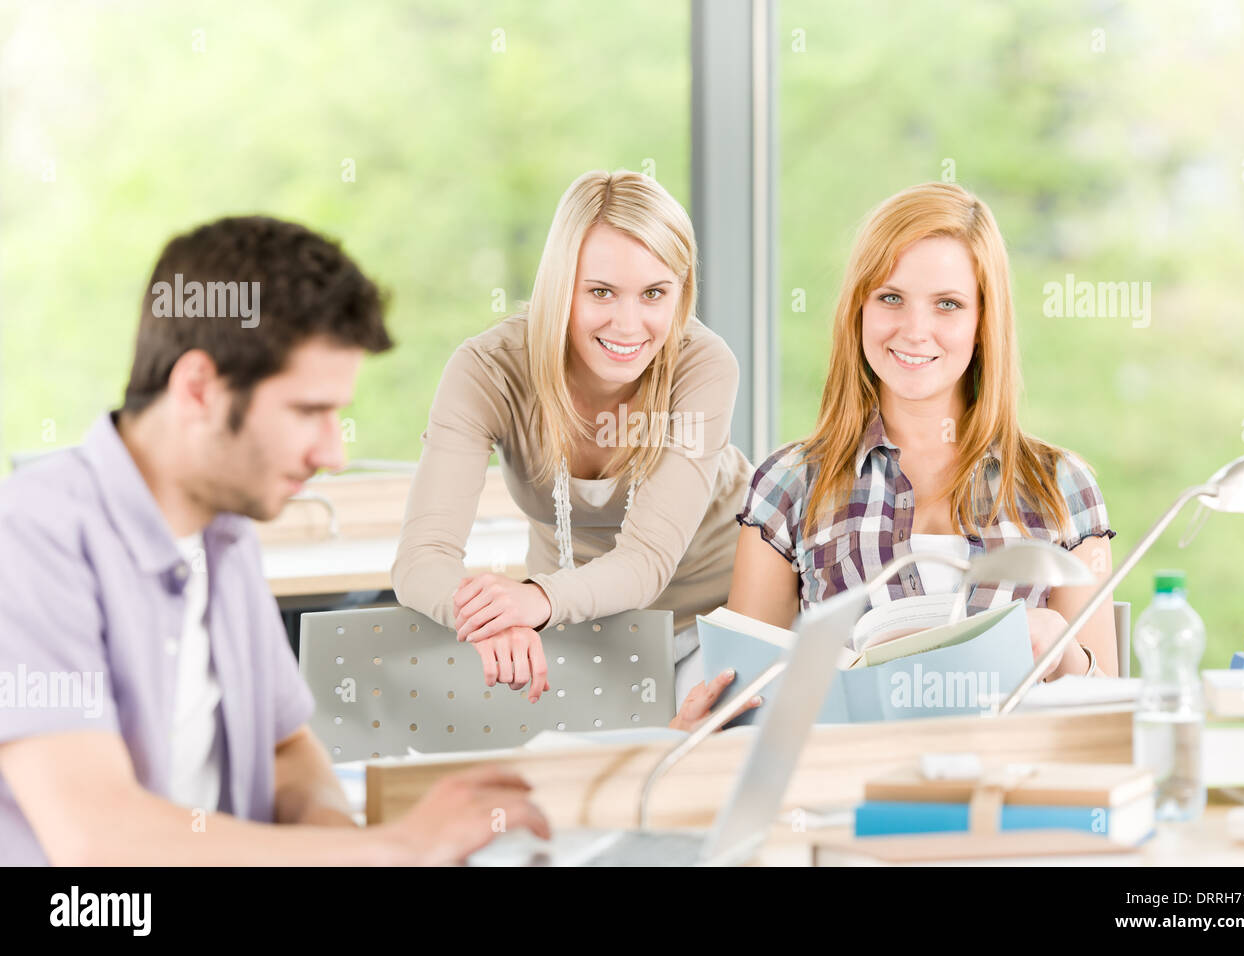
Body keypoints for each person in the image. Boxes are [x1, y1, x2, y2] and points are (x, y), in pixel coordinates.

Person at [0, 216, 549, 865]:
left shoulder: (222, 538)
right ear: (199, 389)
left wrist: (338, 843)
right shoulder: (31, 539)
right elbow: (96, 840)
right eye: (308, 411)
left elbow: (287, 751)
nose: (334, 453)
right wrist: (396, 849)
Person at [392, 170, 759, 724]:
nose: (629, 324)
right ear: (560, 285)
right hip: (581, 625)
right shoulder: (487, 371)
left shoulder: (702, 365)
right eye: (601, 292)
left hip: (719, 620)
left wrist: (534, 599)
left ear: (681, 293)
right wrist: (495, 616)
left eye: (655, 293)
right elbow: (422, 559)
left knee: (691, 773)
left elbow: (645, 562)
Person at [728, 182, 1118, 678]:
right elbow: (747, 702)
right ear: (859, 311)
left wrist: (1062, 652)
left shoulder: (1062, 488)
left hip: (1012, 756)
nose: (914, 330)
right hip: (852, 755)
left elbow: (1106, 710)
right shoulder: (789, 484)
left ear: (983, 322)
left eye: (947, 304)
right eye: (891, 298)